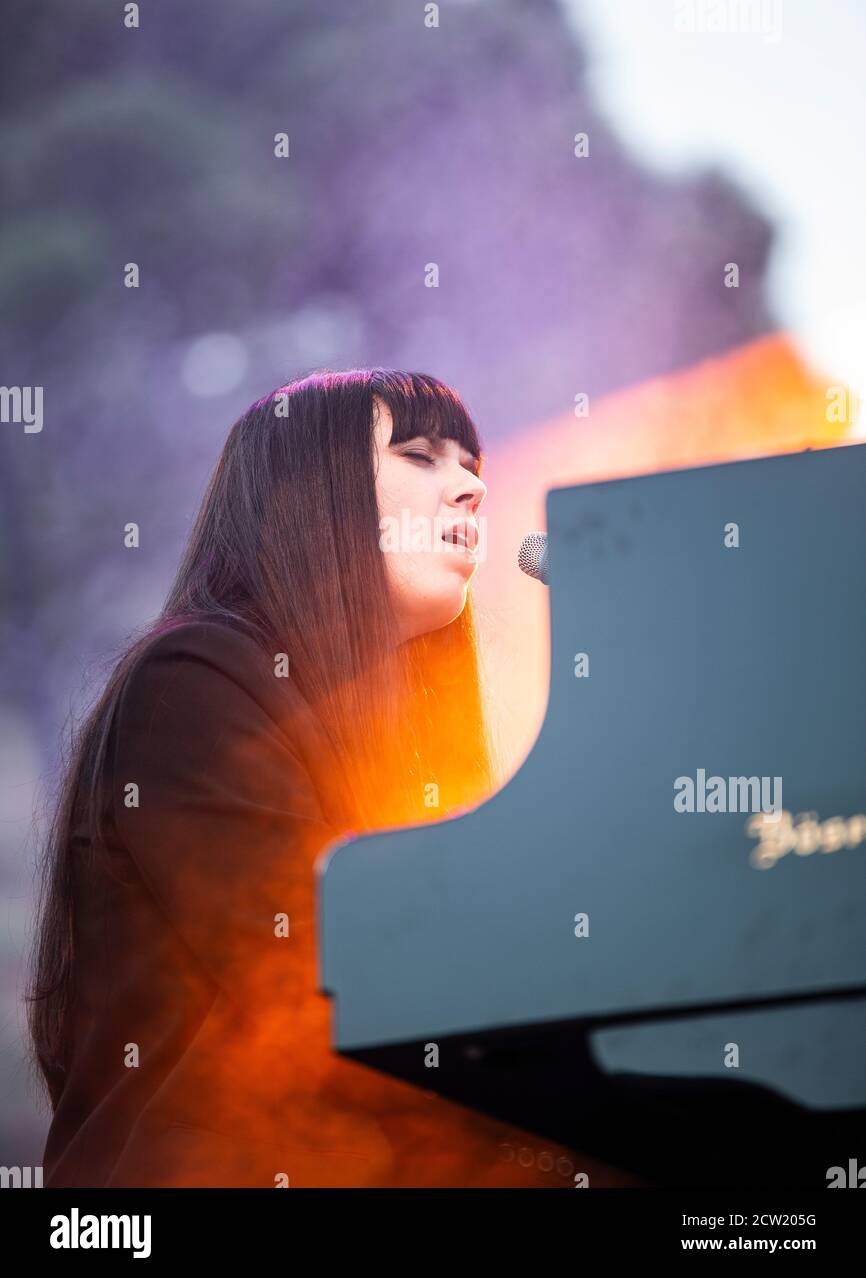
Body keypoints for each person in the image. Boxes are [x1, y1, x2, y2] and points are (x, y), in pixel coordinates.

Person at [28, 368, 618, 1187]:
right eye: (421, 456)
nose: (470, 491)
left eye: (473, 468)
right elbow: (315, 980)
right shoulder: (192, 679)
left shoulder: (408, 752)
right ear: (314, 495)